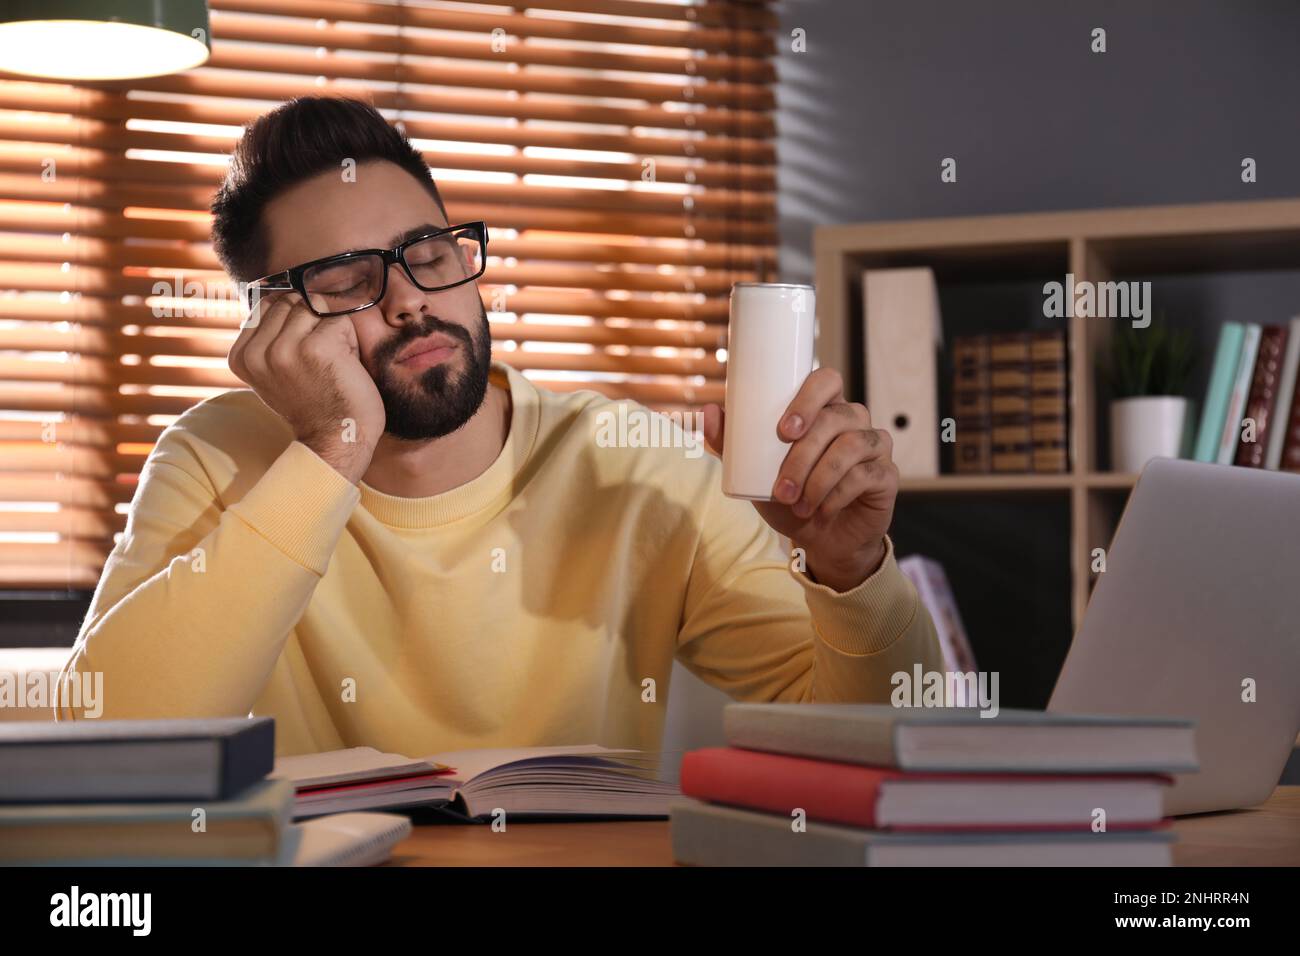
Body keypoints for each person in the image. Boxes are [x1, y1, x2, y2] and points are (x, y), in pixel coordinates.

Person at [56, 97, 941, 756]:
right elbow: (109, 751)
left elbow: (883, 750)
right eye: (346, 280)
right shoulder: (213, 459)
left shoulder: (636, 468)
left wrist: (850, 569)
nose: (410, 301)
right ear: (274, 328)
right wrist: (330, 453)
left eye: (429, 254)